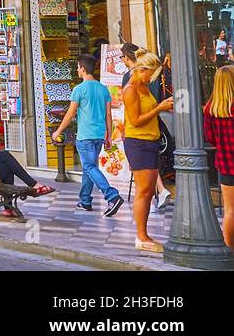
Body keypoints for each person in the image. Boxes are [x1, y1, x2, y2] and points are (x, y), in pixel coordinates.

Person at [52, 54, 125, 217]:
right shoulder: (103, 88)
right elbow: (108, 115)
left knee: (90, 167)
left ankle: (112, 196)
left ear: (83, 69)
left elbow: (70, 114)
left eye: (78, 67)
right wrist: (109, 136)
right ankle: (85, 201)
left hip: (85, 136)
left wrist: (58, 131)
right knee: (88, 168)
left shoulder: (79, 89)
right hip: (99, 135)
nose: (77, 70)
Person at [121, 51, 172, 252]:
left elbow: (148, 114)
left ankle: (144, 235)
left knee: (149, 190)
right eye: (150, 73)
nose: (151, 78)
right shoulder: (130, 90)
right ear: (140, 70)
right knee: (143, 191)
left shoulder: (144, 88)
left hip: (149, 141)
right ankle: (141, 237)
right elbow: (135, 120)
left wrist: (161, 108)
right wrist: (159, 108)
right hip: (138, 143)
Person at [202, 64, 234, 249]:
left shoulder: (211, 109)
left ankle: (230, 249)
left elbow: (210, 138)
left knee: (230, 210)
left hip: (225, 164)